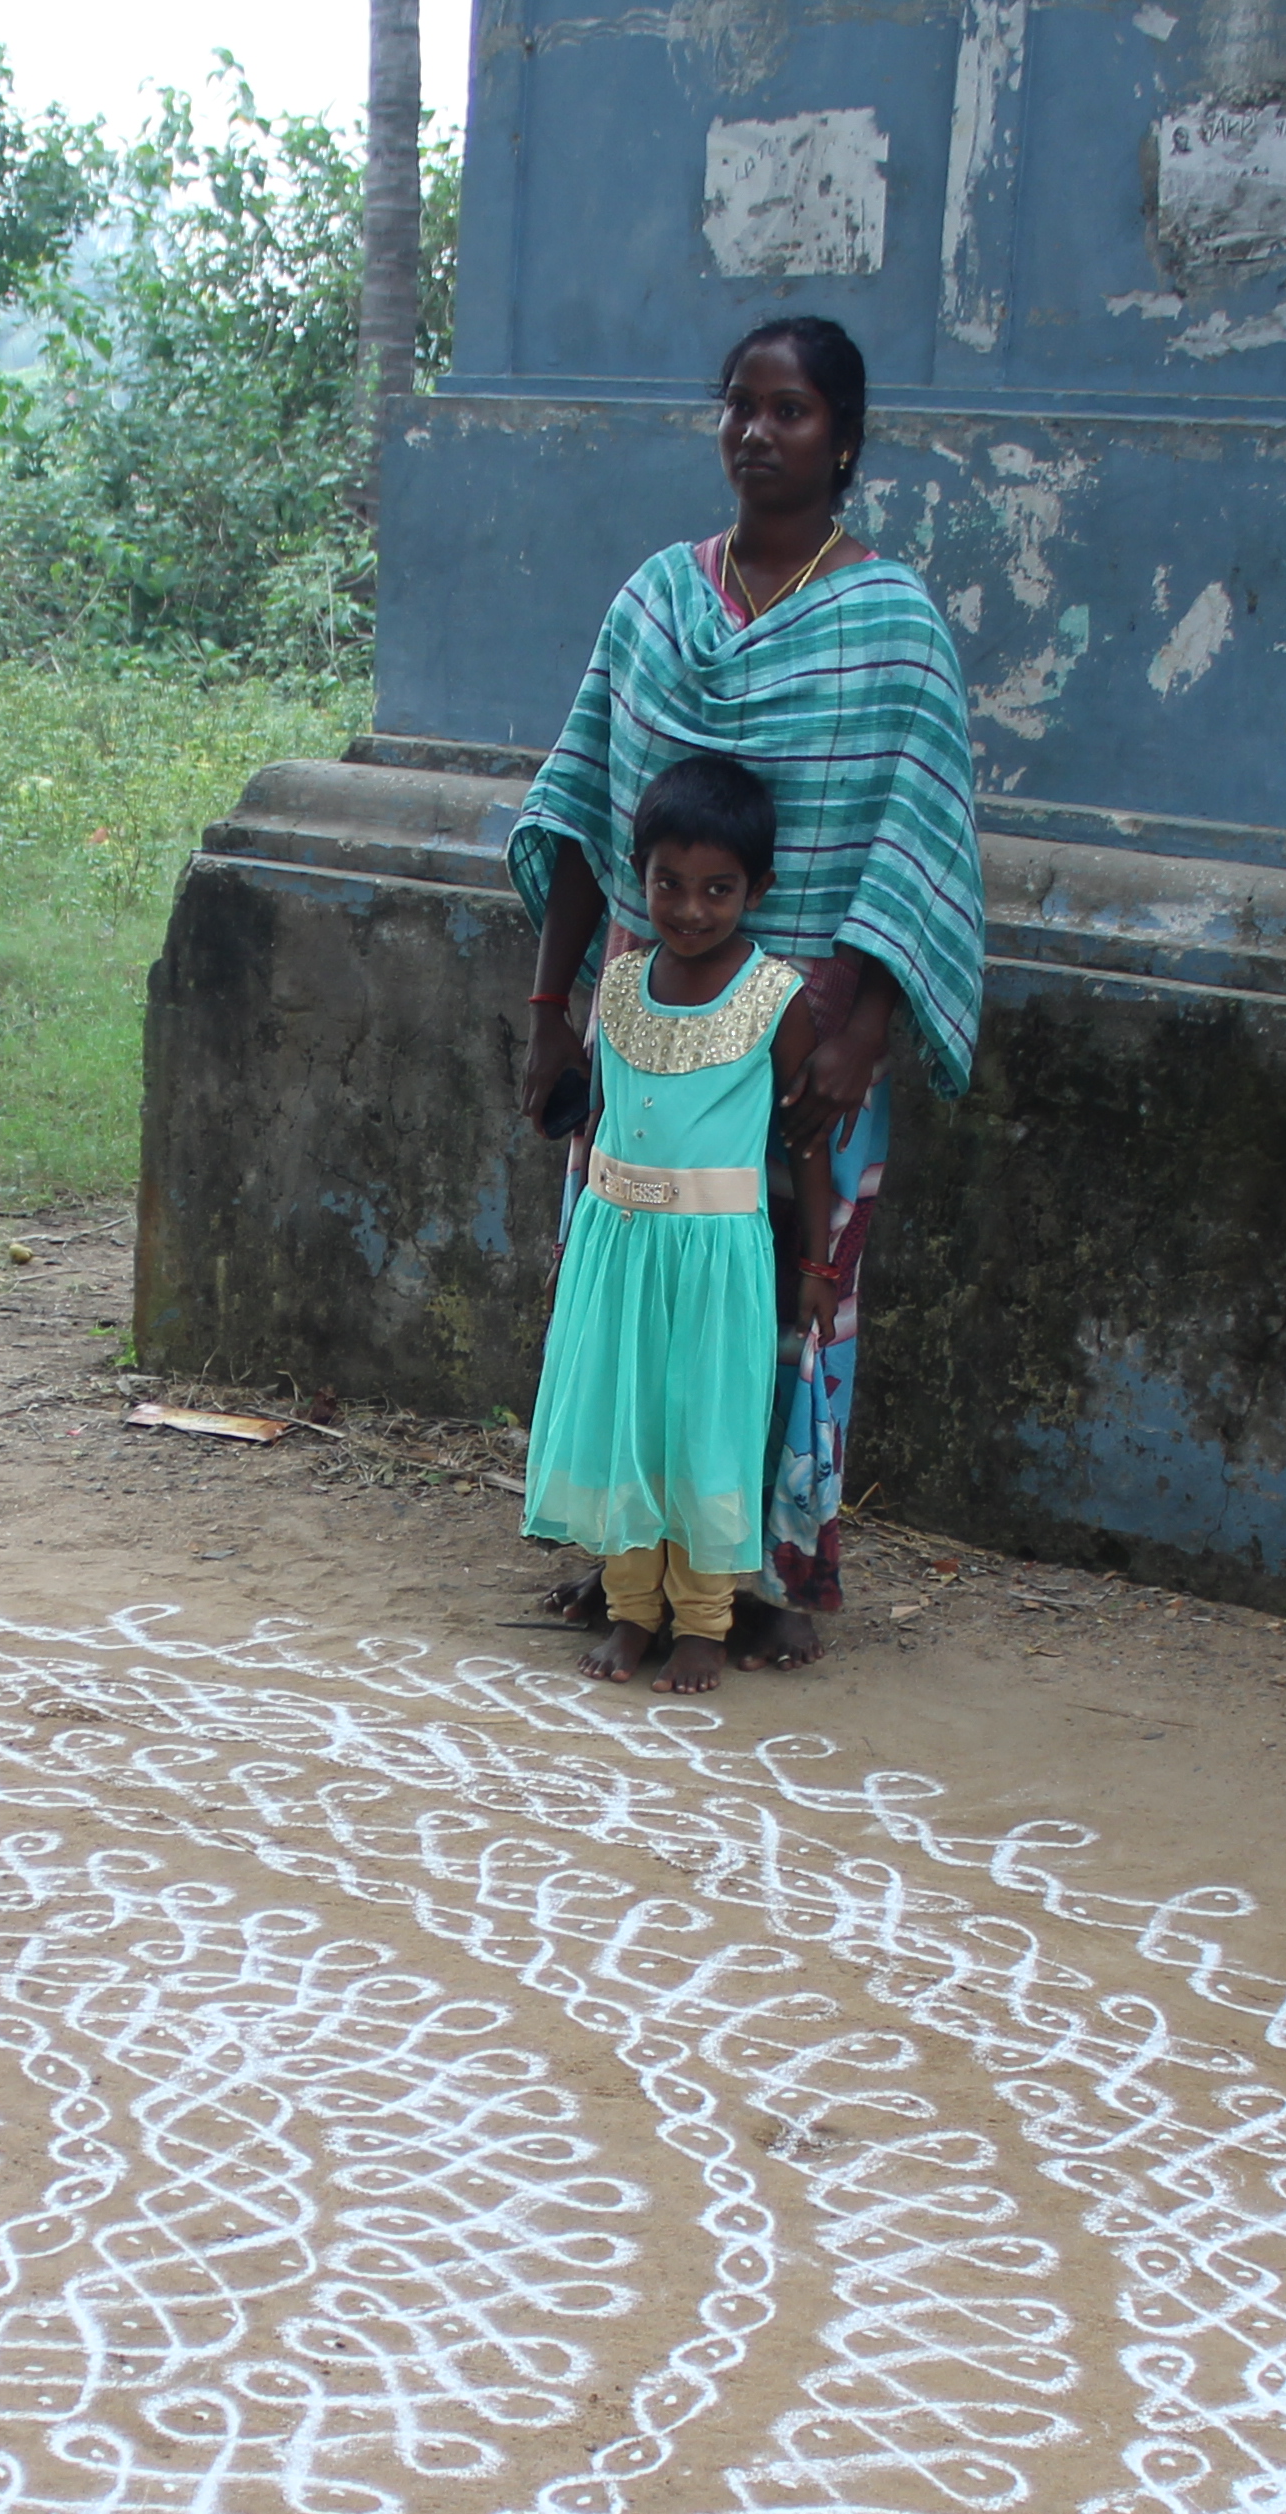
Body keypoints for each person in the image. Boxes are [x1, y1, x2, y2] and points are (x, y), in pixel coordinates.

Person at [508, 313, 990, 1667]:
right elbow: (584, 815)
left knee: (784, 1314)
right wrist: (551, 1023)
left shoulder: (890, 624)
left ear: (843, 439)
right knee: (631, 1308)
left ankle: (768, 1573)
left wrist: (868, 1032)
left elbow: (923, 839)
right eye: (739, 406)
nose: (756, 432)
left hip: (806, 1048)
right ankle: (625, 1562)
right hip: (645, 1053)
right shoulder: (657, 601)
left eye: (789, 411)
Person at [522, 755, 812, 1694]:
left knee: (707, 1429)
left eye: (718, 889)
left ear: (757, 889)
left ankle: (704, 1621)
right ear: (637, 878)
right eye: (669, 885)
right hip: (617, 1243)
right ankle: (632, 1609)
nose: (690, 909)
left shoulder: (778, 1000)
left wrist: (818, 1265)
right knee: (626, 1424)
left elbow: (803, 1145)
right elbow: (601, 1119)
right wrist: (577, 1240)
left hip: (719, 1256)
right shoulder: (620, 987)